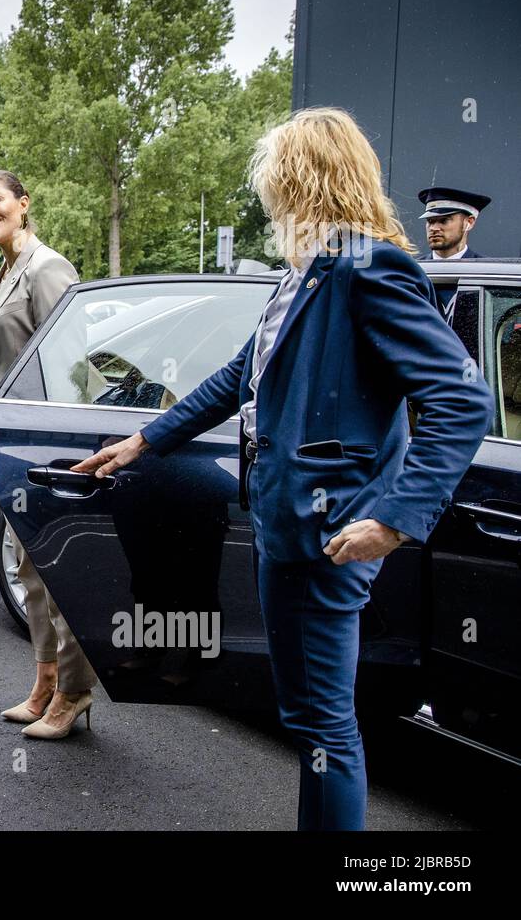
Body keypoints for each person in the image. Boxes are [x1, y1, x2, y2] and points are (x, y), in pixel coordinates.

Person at [74, 108, 492, 829]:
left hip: (329, 534)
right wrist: (147, 439)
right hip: (282, 522)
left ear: (303, 181)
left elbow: (462, 399)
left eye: (274, 186)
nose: (268, 201)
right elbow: (243, 373)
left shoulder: (370, 266)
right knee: (308, 720)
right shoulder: (307, 269)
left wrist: (393, 520)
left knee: (327, 726)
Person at [0, 170, 98, 740]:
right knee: (29, 568)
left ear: (23, 204)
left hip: (51, 443)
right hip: (16, 442)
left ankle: (74, 693)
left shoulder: (48, 268)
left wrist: (69, 451)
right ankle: (45, 682)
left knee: (61, 570)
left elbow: (75, 367)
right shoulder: (5, 269)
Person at [416, 186, 490, 317]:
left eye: (444, 220)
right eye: (430, 221)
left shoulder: (486, 272)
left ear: (469, 222)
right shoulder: (415, 270)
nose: (434, 228)